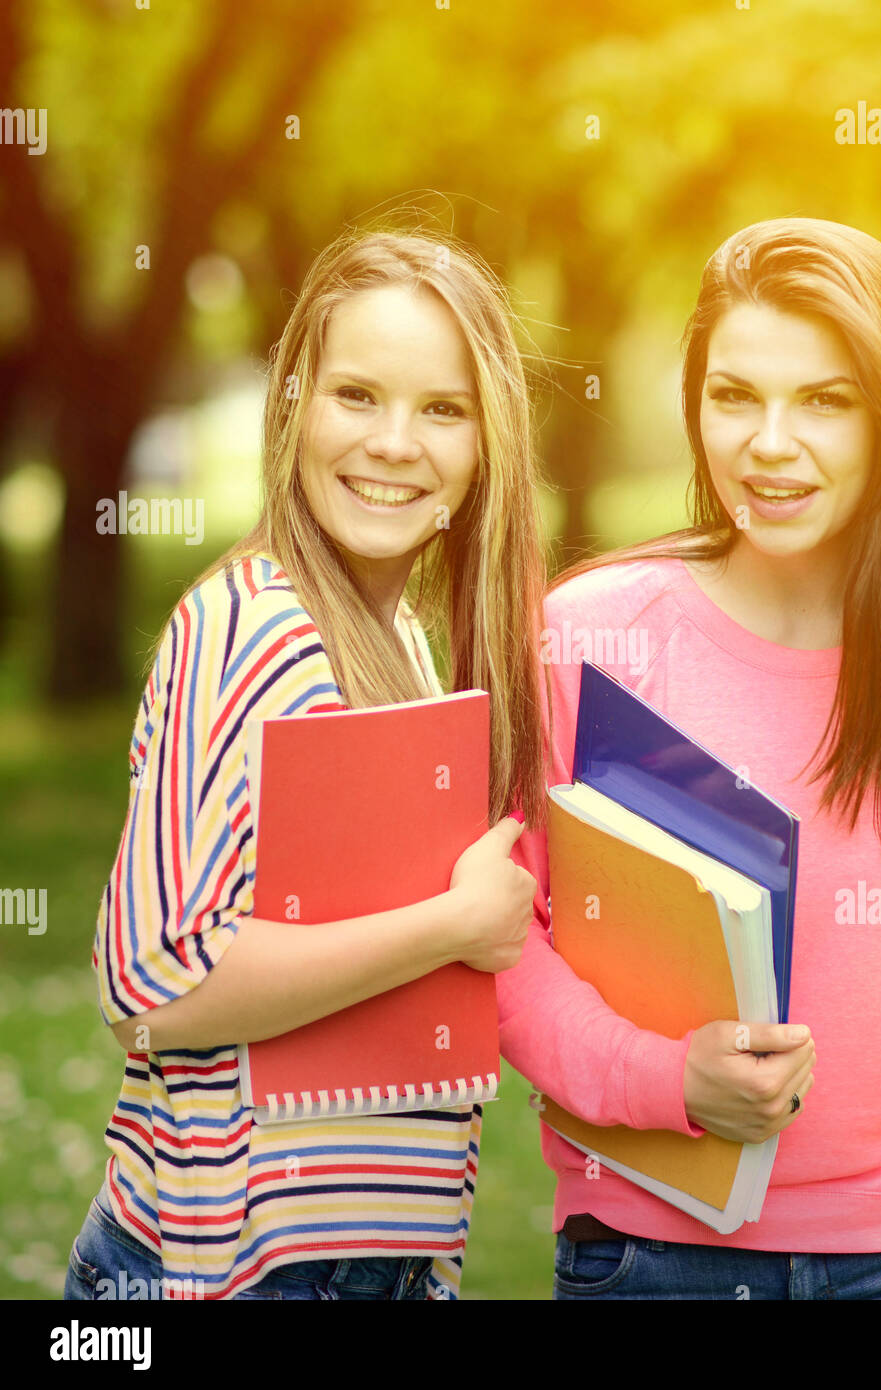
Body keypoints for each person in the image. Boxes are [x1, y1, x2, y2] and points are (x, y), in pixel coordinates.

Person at [500, 217, 881, 1300]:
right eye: (734, 396)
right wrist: (664, 1078)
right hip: (654, 1255)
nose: (769, 442)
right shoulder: (585, 638)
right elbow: (502, 940)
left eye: (824, 399)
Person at [65, 228, 544, 1301]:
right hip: (233, 1269)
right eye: (357, 395)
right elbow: (151, 984)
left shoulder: (408, 650)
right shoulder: (249, 625)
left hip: (366, 1265)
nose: (394, 443)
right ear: (294, 406)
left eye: (442, 409)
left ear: (483, 451)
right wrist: (454, 927)